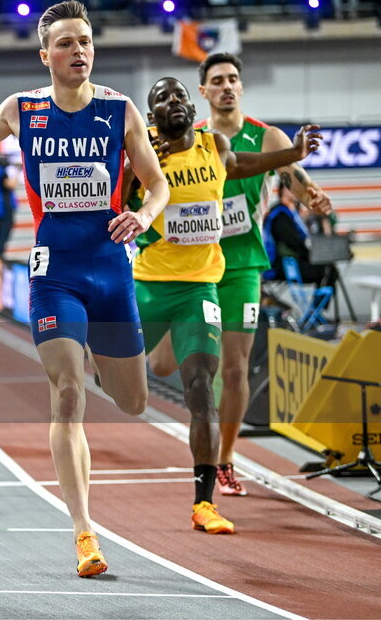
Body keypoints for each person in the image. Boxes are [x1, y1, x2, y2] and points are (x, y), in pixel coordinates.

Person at [0, 0, 169, 577]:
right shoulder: (23, 108)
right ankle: (84, 532)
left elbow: (156, 185)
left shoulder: (120, 109)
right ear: (45, 55)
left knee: (132, 402)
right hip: (53, 270)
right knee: (66, 392)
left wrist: (144, 216)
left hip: (109, 268)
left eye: (84, 41)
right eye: (65, 43)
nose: (77, 51)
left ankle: (104, 361)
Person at [129, 77, 319, 536]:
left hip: (200, 288)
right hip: (148, 286)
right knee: (120, 380)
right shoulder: (140, 155)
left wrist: (292, 156)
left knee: (201, 387)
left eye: (179, 96)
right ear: (151, 114)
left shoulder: (212, 144)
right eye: (162, 99)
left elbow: (246, 163)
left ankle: (203, 502)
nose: (174, 102)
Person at [193, 52, 332, 496]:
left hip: (243, 268)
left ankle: (225, 459)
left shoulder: (265, 136)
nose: (227, 86)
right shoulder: (191, 138)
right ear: (204, 91)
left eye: (233, 79)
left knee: (234, 370)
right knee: (183, 365)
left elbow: (294, 176)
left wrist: (314, 198)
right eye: (218, 80)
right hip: (194, 266)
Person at [263, 186, 338, 289]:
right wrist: (310, 255)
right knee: (329, 270)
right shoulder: (280, 213)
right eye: (289, 188)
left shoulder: (292, 212)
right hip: (283, 264)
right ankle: (319, 304)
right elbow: (293, 242)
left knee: (329, 268)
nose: (294, 191)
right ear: (282, 191)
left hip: (290, 260)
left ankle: (319, 303)